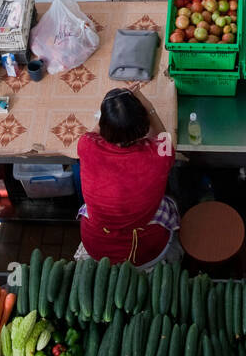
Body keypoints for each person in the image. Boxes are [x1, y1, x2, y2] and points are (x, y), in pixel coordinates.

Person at [77, 86, 181, 267]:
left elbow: (94, 131)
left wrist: (113, 115)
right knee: (170, 200)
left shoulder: (86, 146)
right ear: (143, 124)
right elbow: (165, 137)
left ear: (104, 125)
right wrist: (148, 106)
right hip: (146, 249)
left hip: (95, 245)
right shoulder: (159, 155)